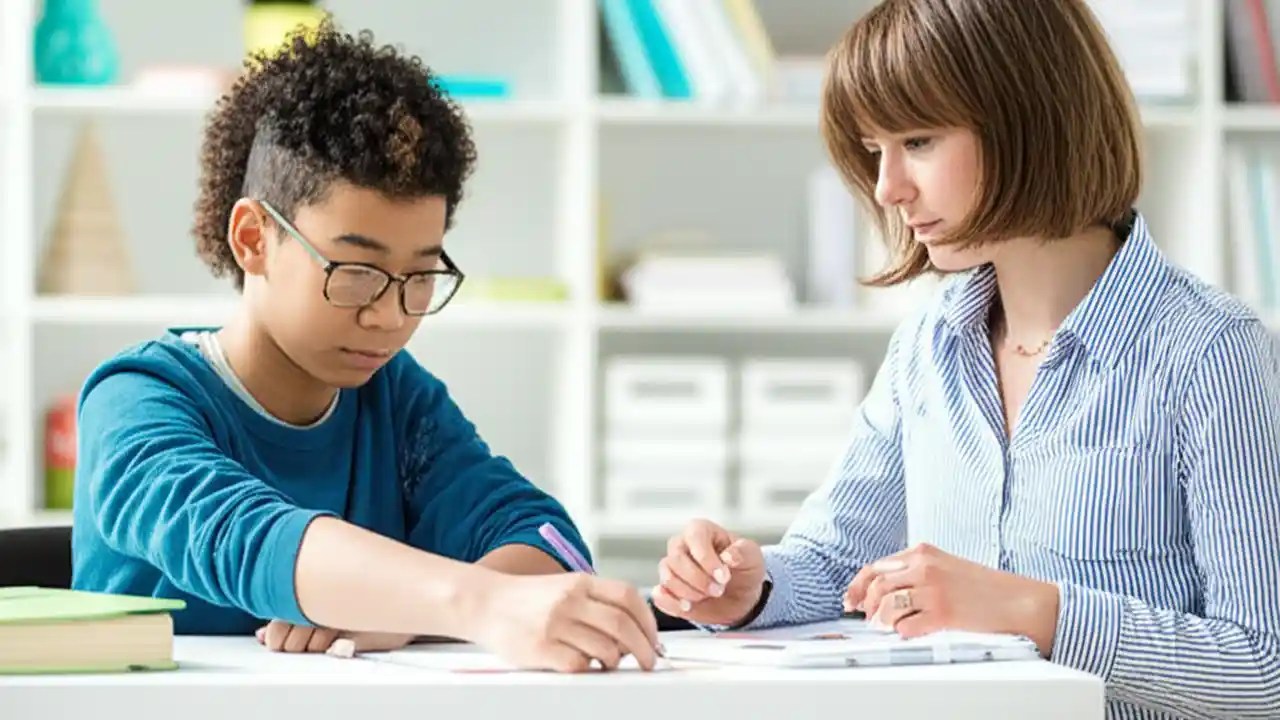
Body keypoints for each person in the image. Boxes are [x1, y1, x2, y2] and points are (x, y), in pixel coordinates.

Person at [652, 0, 1280, 715]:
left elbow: (1265, 668)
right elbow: (832, 564)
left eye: (917, 141)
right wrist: (749, 586)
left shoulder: (1209, 352)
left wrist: (1033, 610)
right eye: (874, 149)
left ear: (1031, 120)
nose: (888, 188)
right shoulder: (929, 346)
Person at [71, 23, 659, 673]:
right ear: (252, 239)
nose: (387, 317)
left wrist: (405, 615)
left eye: (419, 278)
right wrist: (469, 603)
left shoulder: (395, 397)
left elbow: (548, 538)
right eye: (354, 273)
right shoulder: (135, 400)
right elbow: (248, 540)